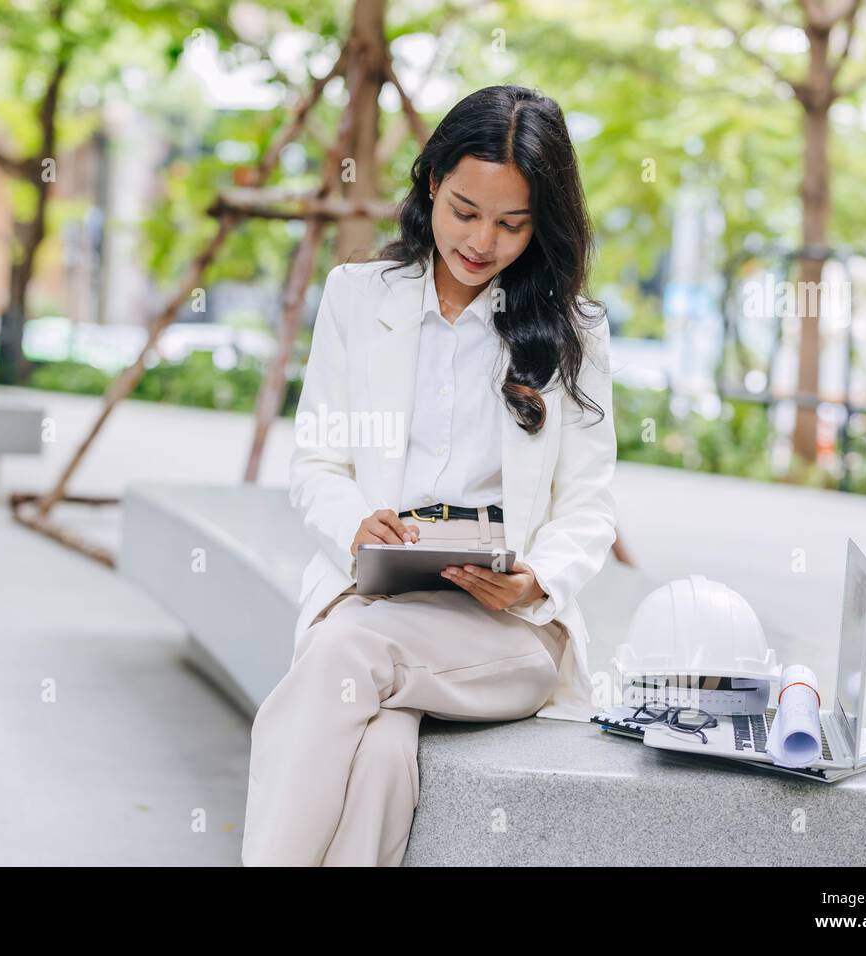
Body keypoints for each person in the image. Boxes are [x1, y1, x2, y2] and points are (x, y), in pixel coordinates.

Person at [242, 85, 617, 866]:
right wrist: (355, 524)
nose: (482, 240)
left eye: (512, 223)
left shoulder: (574, 331)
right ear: (431, 185)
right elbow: (319, 460)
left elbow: (588, 505)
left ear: (540, 222)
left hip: (506, 632)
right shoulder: (357, 297)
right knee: (379, 750)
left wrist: (535, 579)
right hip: (377, 597)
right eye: (464, 211)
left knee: (345, 656)